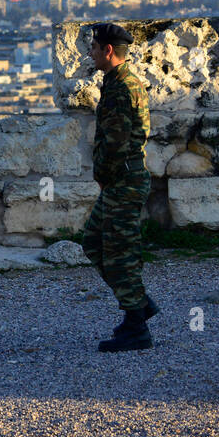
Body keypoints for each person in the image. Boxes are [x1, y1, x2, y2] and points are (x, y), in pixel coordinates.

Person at [82, 22, 155, 352]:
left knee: (120, 254)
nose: (91, 52)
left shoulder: (122, 87)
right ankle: (139, 304)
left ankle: (136, 327)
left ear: (108, 50)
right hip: (120, 180)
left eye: (95, 47)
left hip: (123, 180)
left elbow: (115, 142)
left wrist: (103, 174)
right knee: (94, 242)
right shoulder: (116, 82)